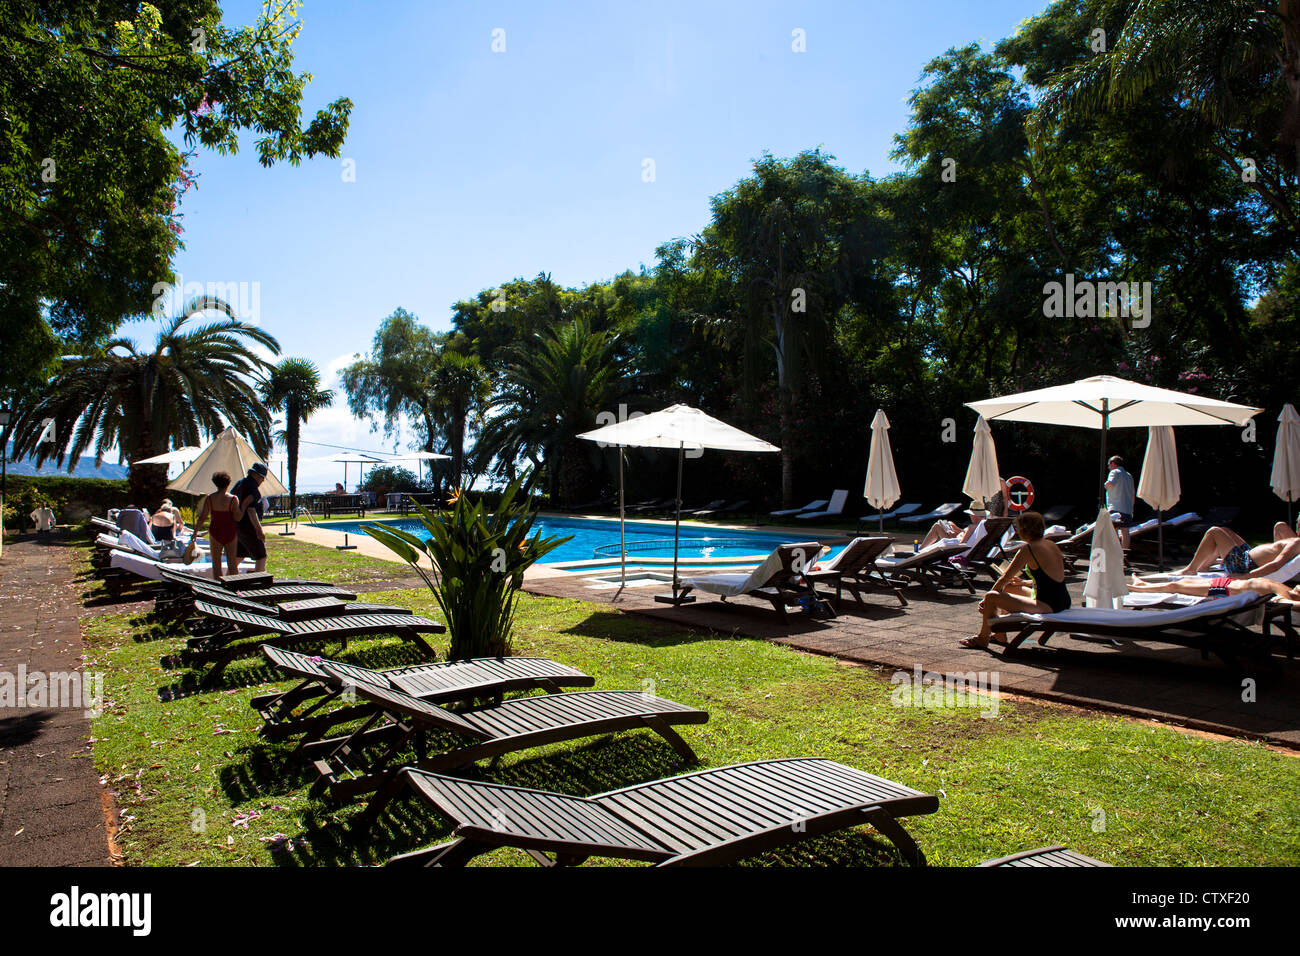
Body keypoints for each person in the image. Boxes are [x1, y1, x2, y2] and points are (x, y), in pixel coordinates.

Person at [960, 510, 1070, 649]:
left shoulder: (1028, 549)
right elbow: (1055, 578)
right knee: (1010, 588)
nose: (1017, 532)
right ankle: (1000, 634)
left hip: (1048, 604)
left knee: (992, 596)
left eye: (1018, 528)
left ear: (1024, 530)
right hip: (1062, 600)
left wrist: (985, 601)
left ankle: (982, 638)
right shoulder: (1050, 544)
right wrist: (1024, 583)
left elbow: (1005, 577)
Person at [1173, 527, 1300, 578]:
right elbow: (1280, 526)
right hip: (1247, 555)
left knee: (1214, 531)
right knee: (1226, 531)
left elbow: (1276, 565)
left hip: (1244, 565)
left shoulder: (1297, 543)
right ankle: (1205, 565)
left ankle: (1191, 569)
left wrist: (1246, 577)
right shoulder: (1294, 540)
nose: (1297, 525)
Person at [192, 472, 240, 580]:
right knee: (232, 564)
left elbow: (202, 517)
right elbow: (238, 518)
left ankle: (218, 589)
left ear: (215, 483)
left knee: (216, 564)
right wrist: (244, 506)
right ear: (228, 484)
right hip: (230, 531)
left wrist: (195, 532)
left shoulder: (210, 498)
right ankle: (236, 589)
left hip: (215, 531)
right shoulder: (233, 499)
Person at [1128, 574, 1300, 602]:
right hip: (1227, 582)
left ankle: (1137, 589)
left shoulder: (1287, 596)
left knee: (1176, 586)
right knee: (1186, 581)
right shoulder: (1287, 589)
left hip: (1225, 591)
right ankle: (1145, 585)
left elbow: (1293, 605)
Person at [230, 463, 269, 573]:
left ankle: (228, 578)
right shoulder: (253, 488)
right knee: (261, 556)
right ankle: (260, 581)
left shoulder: (239, 484)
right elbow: (251, 510)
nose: (262, 481)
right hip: (248, 526)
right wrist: (259, 529)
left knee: (240, 555)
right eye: (262, 478)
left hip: (237, 525)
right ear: (256, 475)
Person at [1104, 456, 1136, 548]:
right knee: (1125, 532)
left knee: (1113, 531)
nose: (1108, 467)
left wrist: (1105, 485)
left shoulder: (1114, 472)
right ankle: (1125, 554)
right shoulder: (1129, 475)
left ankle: (1115, 554)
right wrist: (1132, 508)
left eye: (1109, 465)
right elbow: (1133, 494)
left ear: (1113, 464)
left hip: (1116, 507)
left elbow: (1110, 483)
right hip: (1128, 508)